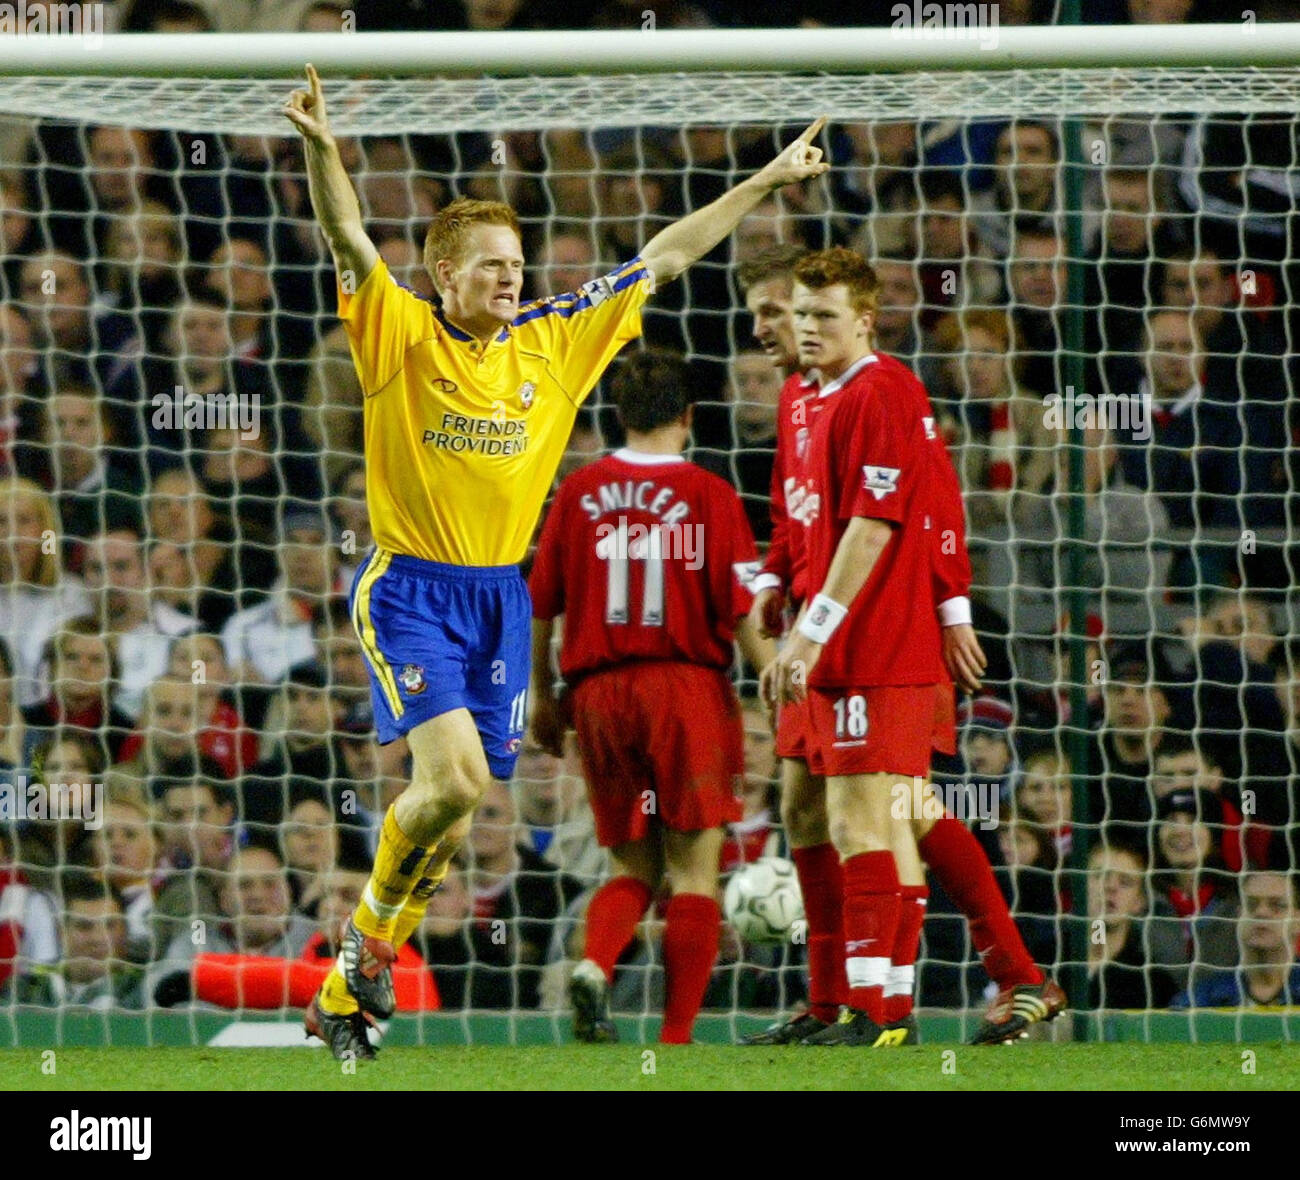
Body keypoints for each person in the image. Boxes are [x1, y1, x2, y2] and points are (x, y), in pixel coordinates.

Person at [281, 62, 830, 1057]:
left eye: (517, 260)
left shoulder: (554, 340)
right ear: (444, 275)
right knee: (447, 786)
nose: (512, 276)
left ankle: (349, 981)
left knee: (454, 810)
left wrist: (761, 181)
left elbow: (663, 255)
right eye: (490, 264)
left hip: (499, 593)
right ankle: (365, 951)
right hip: (409, 587)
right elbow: (349, 241)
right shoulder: (400, 330)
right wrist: (323, 153)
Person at [743, 247, 1062, 1047]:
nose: (790, 328)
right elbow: (799, 512)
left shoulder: (888, 392)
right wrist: (773, 584)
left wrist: (949, 604)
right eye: (789, 314)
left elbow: (892, 516)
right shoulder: (799, 399)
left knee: (873, 817)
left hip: (875, 639)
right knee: (831, 808)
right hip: (821, 633)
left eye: (809, 314)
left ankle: (878, 1010)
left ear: (861, 318)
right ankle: (881, 997)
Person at [528, 349, 772, 1044]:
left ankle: (595, 965)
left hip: (599, 692)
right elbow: (741, 605)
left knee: (629, 862)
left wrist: (545, 697)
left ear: (618, 415)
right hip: (684, 687)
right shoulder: (707, 494)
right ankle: (676, 1036)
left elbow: (542, 605)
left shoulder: (577, 495)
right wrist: (777, 680)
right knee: (695, 870)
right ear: (690, 416)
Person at [1172, 871, 1300, 1008]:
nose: (1261, 912)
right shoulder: (1197, 1000)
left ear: (1297, 921)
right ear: (1238, 917)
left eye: (1277, 905)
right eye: (1251, 904)